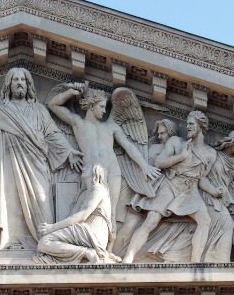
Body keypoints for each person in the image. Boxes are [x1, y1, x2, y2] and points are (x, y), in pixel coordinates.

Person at [0, 68, 81, 251]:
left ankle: (46, 242)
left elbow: (52, 134)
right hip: (7, 163)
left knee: (42, 199)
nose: (19, 83)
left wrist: (68, 152)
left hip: (37, 163)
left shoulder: (39, 110)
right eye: (15, 80)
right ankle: (10, 241)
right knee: (9, 201)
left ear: (28, 85)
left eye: (23, 80)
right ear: (9, 85)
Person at [46, 83, 159, 226]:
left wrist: (144, 166)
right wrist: (70, 92)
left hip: (112, 171)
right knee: (89, 209)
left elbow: (128, 146)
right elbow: (53, 104)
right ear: (91, 105)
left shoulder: (110, 126)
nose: (104, 111)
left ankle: (108, 246)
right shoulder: (78, 123)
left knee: (110, 212)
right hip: (91, 172)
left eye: (105, 106)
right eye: (101, 106)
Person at [121, 111, 219, 264]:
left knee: (205, 220)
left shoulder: (210, 153)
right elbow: (160, 163)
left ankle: (195, 264)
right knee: (151, 221)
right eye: (187, 124)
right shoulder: (176, 142)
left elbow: (202, 178)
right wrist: (181, 157)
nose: (188, 127)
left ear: (201, 127)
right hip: (170, 185)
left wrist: (214, 191)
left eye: (192, 124)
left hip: (190, 190)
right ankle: (128, 258)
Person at [36, 164, 120, 264]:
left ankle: (88, 252)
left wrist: (52, 228)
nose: (84, 168)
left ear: (96, 172)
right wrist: (53, 229)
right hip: (82, 231)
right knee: (43, 245)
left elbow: (83, 215)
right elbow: (72, 217)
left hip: (93, 234)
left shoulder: (98, 189)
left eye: (88, 167)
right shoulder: (84, 193)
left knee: (44, 243)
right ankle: (87, 252)